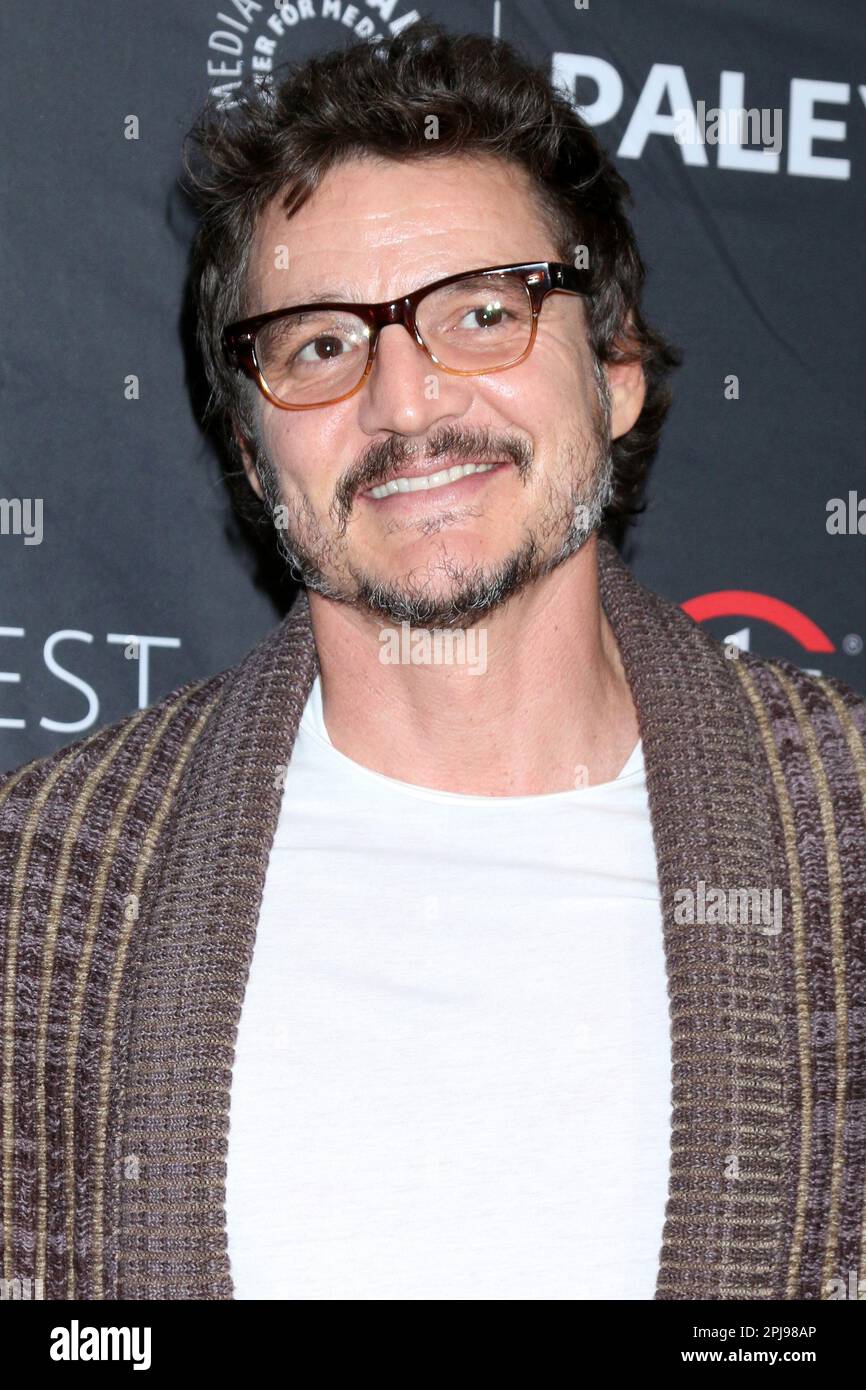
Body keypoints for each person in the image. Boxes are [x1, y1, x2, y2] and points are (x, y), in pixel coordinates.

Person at [1, 22, 864, 1303]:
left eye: (480, 312)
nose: (404, 402)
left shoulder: (845, 844)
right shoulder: (44, 891)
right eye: (318, 345)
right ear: (251, 459)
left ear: (614, 370)